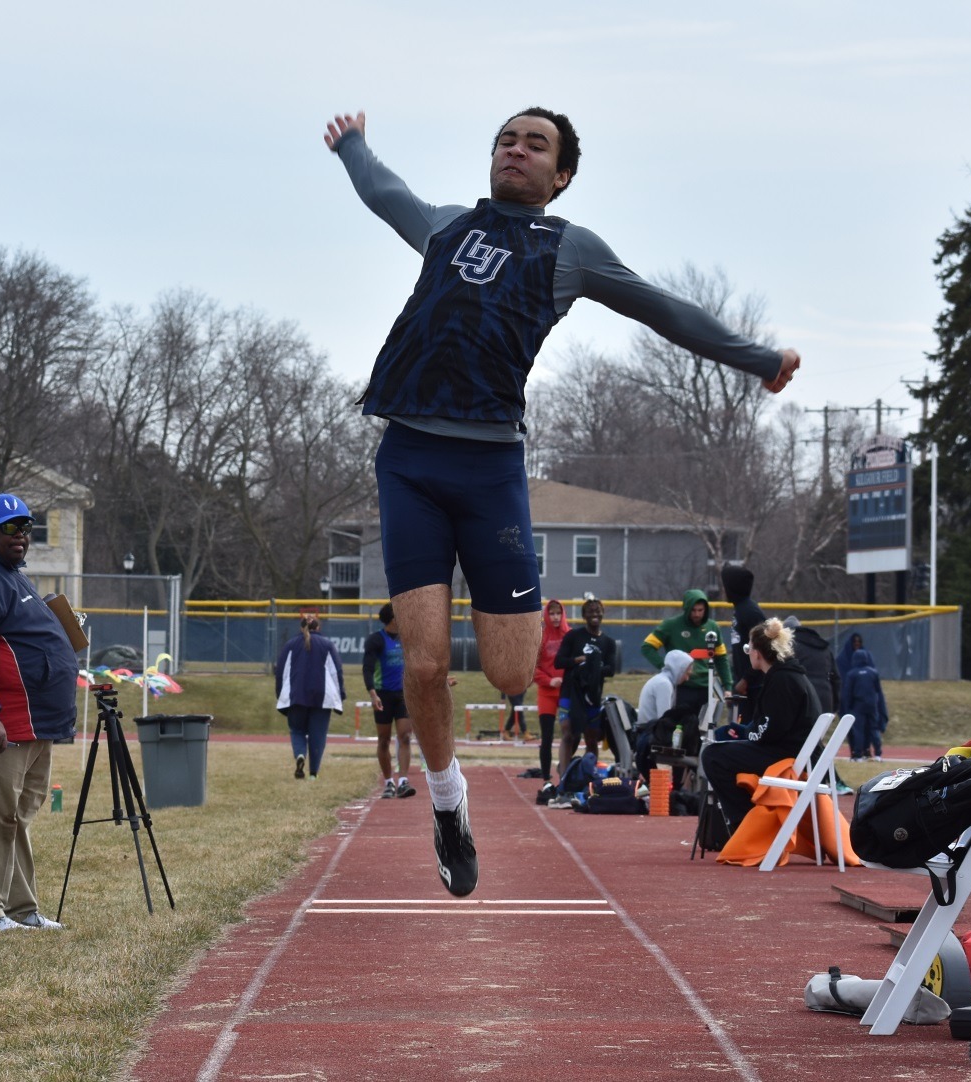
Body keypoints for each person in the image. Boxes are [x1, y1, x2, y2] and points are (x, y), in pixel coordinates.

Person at [326, 107, 799, 895]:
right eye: (505, 139)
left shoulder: (569, 248)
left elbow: (664, 309)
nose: (515, 150)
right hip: (408, 457)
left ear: (562, 174)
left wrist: (758, 359)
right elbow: (384, 193)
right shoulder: (446, 227)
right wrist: (352, 145)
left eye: (534, 143)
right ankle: (448, 803)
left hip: (491, 472)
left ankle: (487, 604)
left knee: (511, 677)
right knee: (427, 663)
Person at [0, 494, 78, 932]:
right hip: (1, 722)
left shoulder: (12, 575)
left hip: (34, 723)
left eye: (25, 526)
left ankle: (20, 908)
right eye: (9, 527)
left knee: (15, 816)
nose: (21, 535)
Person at [700, 619, 821, 833]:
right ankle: (750, 822)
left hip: (786, 756)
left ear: (757, 652)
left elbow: (771, 730)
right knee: (725, 748)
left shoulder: (782, 680)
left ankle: (747, 825)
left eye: (749, 648)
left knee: (712, 756)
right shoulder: (789, 675)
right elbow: (771, 724)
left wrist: (746, 734)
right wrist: (745, 732)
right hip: (792, 751)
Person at [641, 588, 735, 751]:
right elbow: (647, 646)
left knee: (703, 733)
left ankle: (697, 770)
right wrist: (665, 667)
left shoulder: (712, 627)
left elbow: (721, 658)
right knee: (680, 732)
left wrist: (727, 686)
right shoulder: (671, 625)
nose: (697, 614)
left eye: (701, 610)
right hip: (683, 689)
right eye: (693, 610)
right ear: (686, 609)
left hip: (706, 688)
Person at [552, 599, 619, 796]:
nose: (594, 614)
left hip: (592, 695)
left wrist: (594, 666)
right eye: (590, 611)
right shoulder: (573, 636)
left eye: (597, 611)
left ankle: (589, 778)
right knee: (568, 733)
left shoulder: (608, 642)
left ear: (603, 614)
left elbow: (611, 670)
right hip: (571, 692)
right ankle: (563, 780)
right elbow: (559, 662)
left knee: (591, 738)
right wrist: (578, 660)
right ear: (584, 616)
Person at [275, 614, 346, 780]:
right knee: (318, 736)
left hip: (296, 696)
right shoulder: (327, 644)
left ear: (301, 628)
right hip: (322, 697)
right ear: (318, 628)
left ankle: (300, 754)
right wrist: (340, 695)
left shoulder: (290, 645)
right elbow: (337, 672)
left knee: (297, 730)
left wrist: (281, 695)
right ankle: (313, 773)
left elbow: (281, 673)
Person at [363, 604, 417, 799]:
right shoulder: (376, 640)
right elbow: (367, 668)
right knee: (384, 739)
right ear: (393, 618)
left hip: (404, 694)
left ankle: (403, 781)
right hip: (383, 695)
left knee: (404, 736)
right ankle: (388, 782)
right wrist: (372, 694)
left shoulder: (408, 639)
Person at [633, 649, 694, 784]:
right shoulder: (664, 684)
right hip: (648, 736)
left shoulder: (663, 681)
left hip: (647, 732)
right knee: (690, 751)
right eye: (686, 673)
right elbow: (664, 720)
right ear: (679, 669)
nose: (687, 678)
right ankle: (679, 790)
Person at [531, 600, 570, 790]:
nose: (555, 617)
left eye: (558, 614)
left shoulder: (569, 635)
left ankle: (566, 771)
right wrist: (548, 680)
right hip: (546, 692)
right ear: (547, 615)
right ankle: (546, 777)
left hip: (565, 693)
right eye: (552, 614)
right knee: (547, 736)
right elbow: (533, 667)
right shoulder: (541, 636)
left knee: (568, 734)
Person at [721, 567, 765, 723]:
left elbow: (764, 647)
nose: (723, 589)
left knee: (747, 733)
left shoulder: (750, 612)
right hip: (743, 684)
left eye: (725, 585)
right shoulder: (739, 609)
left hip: (753, 687)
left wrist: (747, 679)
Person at [783, 616, 839, 717]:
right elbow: (836, 678)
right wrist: (835, 705)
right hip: (825, 696)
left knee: (803, 732)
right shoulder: (824, 647)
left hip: (804, 696)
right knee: (821, 732)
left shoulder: (791, 646)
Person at [839, 649, 889, 762]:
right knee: (873, 729)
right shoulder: (873, 672)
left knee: (858, 730)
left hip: (858, 706)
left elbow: (847, 693)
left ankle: (858, 755)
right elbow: (879, 692)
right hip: (872, 706)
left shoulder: (852, 674)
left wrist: (846, 708)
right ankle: (877, 754)